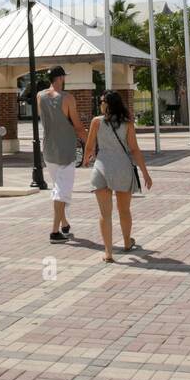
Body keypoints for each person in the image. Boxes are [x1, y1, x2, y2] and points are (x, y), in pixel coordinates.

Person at [82, 90, 153, 263]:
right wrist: (145, 173)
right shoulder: (127, 124)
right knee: (124, 210)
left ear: (108, 104)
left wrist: (86, 159)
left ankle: (108, 252)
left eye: (102, 101)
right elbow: (134, 149)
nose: (100, 104)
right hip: (122, 168)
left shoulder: (96, 121)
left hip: (101, 168)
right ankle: (127, 242)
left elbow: (89, 147)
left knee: (105, 214)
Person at [39, 66, 88, 244]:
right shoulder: (67, 98)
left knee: (58, 186)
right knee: (62, 191)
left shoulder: (40, 96)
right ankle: (54, 232)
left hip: (48, 149)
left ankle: (64, 223)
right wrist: (90, 145)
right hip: (65, 150)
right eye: (63, 77)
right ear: (60, 78)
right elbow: (78, 126)